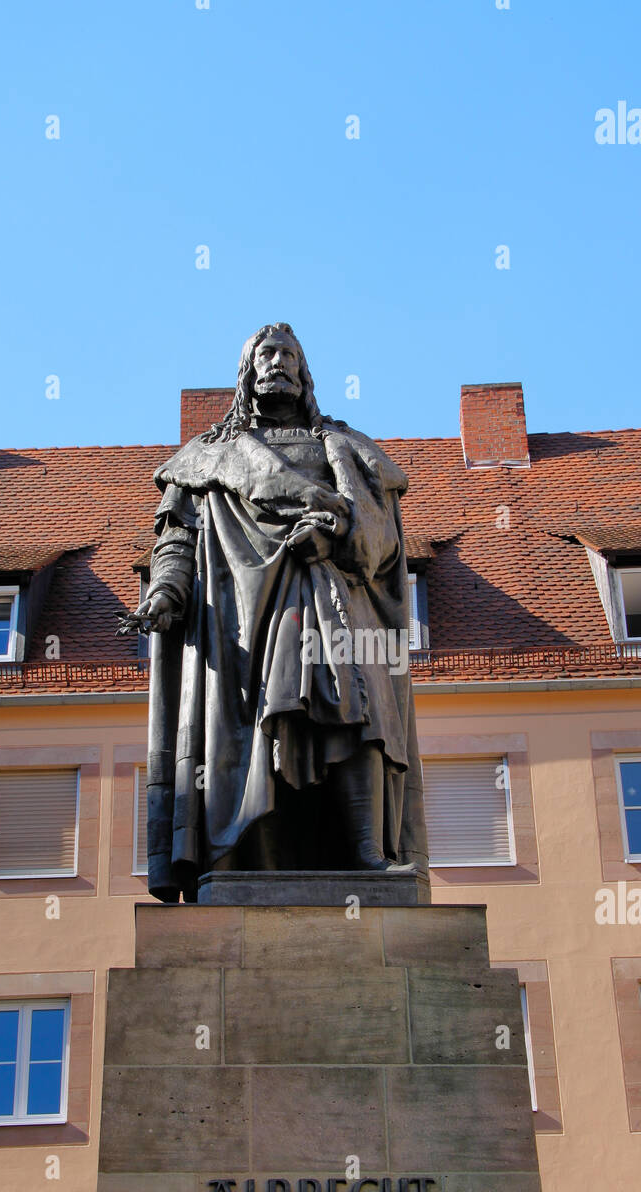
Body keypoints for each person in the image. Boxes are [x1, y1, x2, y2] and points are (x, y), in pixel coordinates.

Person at [122, 322, 428, 903]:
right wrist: (166, 593)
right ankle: (243, 864)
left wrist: (337, 528)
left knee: (359, 708)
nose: (278, 362)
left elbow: (383, 539)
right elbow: (176, 538)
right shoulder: (208, 457)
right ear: (247, 371)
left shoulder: (346, 449)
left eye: (289, 354)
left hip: (337, 595)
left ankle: (367, 853)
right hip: (242, 619)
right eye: (266, 353)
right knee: (256, 730)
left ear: (305, 371)